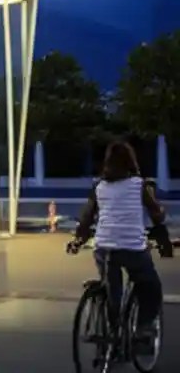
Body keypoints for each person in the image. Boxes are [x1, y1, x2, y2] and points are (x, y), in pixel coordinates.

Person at [68, 141, 169, 354]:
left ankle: (112, 331)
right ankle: (143, 330)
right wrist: (162, 213)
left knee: (112, 290)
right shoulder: (139, 185)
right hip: (132, 248)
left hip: (103, 247)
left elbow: (86, 219)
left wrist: (78, 241)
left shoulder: (99, 187)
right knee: (151, 287)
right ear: (130, 161)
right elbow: (156, 215)